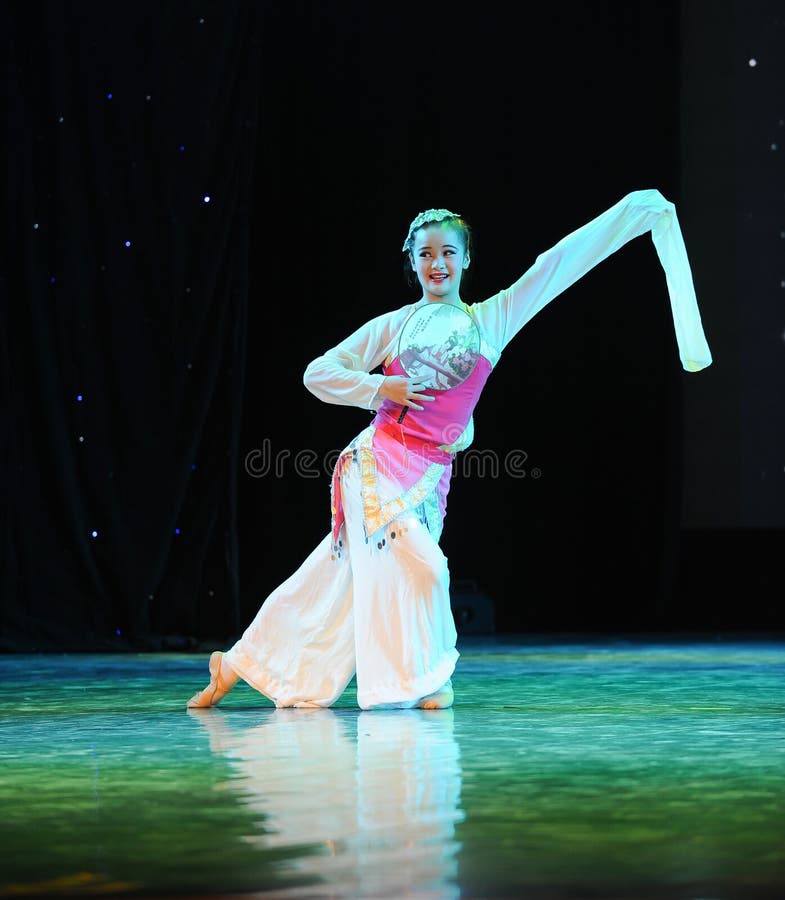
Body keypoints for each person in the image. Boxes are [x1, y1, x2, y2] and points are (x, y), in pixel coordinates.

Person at [186, 188, 712, 712]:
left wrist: (637, 213)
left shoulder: (492, 321)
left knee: (336, 581)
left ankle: (238, 664)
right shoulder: (392, 327)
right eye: (426, 254)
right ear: (412, 263)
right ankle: (427, 680)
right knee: (429, 569)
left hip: (432, 478)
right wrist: (378, 389)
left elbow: (558, 265)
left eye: (448, 253)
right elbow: (316, 373)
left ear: (465, 260)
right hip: (375, 460)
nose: (437, 264)